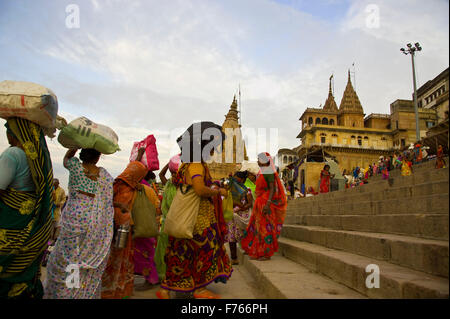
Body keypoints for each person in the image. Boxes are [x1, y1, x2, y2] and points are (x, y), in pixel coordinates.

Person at [157, 122, 232, 299]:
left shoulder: (186, 164)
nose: (215, 150)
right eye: (213, 146)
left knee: (180, 253)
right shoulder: (197, 164)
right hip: (198, 219)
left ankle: (165, 289)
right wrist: (218, 191)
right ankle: (199, 289)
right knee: (206, 249)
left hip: (182, 217)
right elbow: (199, 189)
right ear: (204, 145)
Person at [44, 148, 114, 299]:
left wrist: (75, 144)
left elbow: (67, 158)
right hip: (94, 225)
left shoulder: (75, 166)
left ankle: (68, 292)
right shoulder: (105, 176)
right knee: (83, 261)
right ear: (98, 157)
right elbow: (110, 200)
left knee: (71, 260)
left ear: (82, 155)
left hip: (74, 220)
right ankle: (80, 292)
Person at [0, 118, 54, 299]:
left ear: (13, 133)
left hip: (9, 220)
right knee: (23, 267)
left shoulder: (12, 154)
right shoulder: (39, 159)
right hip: (31, 223)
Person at [101, 148, 159, 299]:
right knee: (120, 259)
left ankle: (116, 287)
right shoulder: (138, 188)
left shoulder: (120, 185)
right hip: (122, 229)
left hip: (120, 229)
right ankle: (119, 287)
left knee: (119, 259)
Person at [241, 152, 287, 261]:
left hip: (265, 202)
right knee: (257, 227)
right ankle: (255, 250)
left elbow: (272, 189)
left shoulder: (268, 171)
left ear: (265, 161)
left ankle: (266, 253)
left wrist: (268, 203)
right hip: (260, 201)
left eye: (259, 159)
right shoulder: (261, 172)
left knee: (265, 227)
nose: (257, 161)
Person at [133, 169, 161, 291]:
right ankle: (151, 278)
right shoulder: (149, 188)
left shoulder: (140, 188)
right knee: (148, 253)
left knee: (144, 254)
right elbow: (157, 207)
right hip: (150, 225)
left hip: (141, 226)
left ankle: (151, 280)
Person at [155, 155, 181, 282]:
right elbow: (161, 175)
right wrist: (171, 163)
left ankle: (175, 277)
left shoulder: (183, 188)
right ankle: (164, 276)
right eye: (173, 174)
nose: (175, 177)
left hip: (179, 225)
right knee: (163, 251)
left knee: (176, 252)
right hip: (166, 224)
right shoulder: (169, 184)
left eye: (177, 174)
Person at [225, 171, 253, 265]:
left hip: (242, 215)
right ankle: (234, 258)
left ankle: (248, 250)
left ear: (242, 180)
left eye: (236, 178)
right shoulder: (230, 189)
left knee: (242, 234)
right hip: (232, 215)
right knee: (231, 236)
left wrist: (241, 207)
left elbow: (249, 203)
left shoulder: (247, 190)